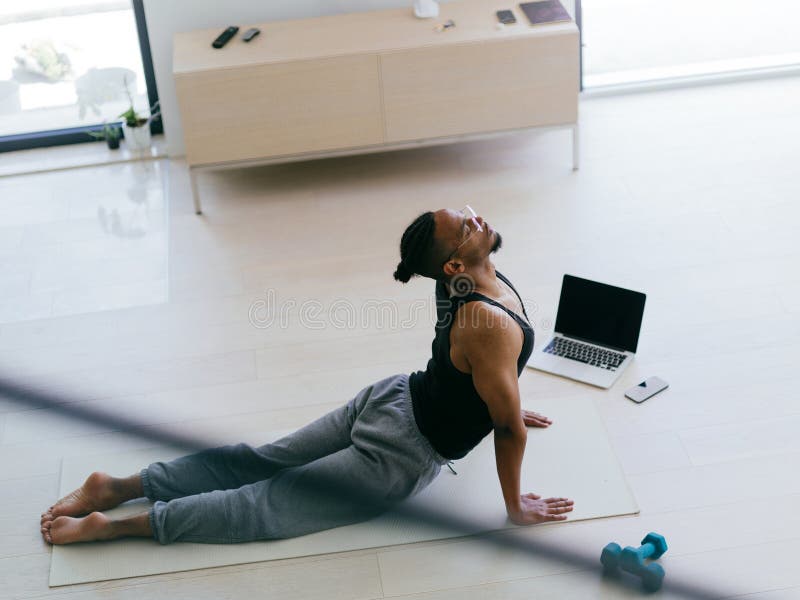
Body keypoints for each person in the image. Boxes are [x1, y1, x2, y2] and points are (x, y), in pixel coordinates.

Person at [40, 206, 574, 545]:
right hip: (399, 455)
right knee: (266, 505)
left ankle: (116, 485)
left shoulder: (467, 284)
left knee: (263, 459)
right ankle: (117, 524)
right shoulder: (486, 319)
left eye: (469, 215)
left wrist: (492, 399)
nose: (478, 218)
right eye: (466, 226)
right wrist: (514, 502)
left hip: (391, 397)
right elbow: (508, 426)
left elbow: (469, 366)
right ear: (455, 265)